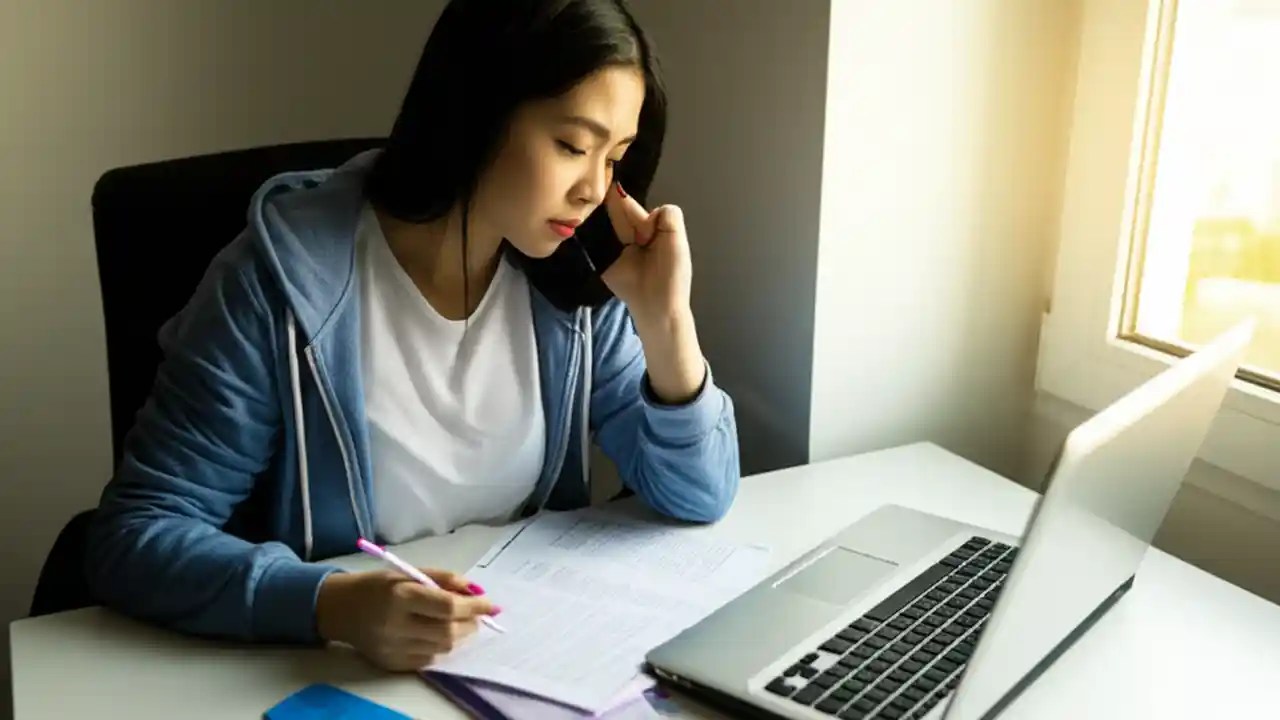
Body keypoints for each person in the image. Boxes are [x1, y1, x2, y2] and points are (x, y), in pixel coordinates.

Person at [84, 0, 739, 673]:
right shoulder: (280, 281)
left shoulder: (571, 287)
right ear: (477, 113)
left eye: (616, 159)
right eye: (572, 146)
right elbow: (135, 536)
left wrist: (667, 324)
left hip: (518, 666)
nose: (592, 191)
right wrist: (330, 604)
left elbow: (697, 496)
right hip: (333, 674)